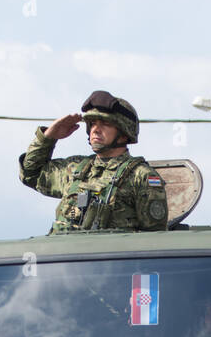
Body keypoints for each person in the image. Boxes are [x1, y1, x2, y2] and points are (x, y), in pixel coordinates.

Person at [18, 90, 168, 232]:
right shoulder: (75, 169)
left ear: (124, 133)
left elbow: (154, 239)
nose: (95, 129)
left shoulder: (141, 176)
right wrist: (48, 138)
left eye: (105, 124)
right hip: (64, 256)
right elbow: (31, 173)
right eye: (93, 124)